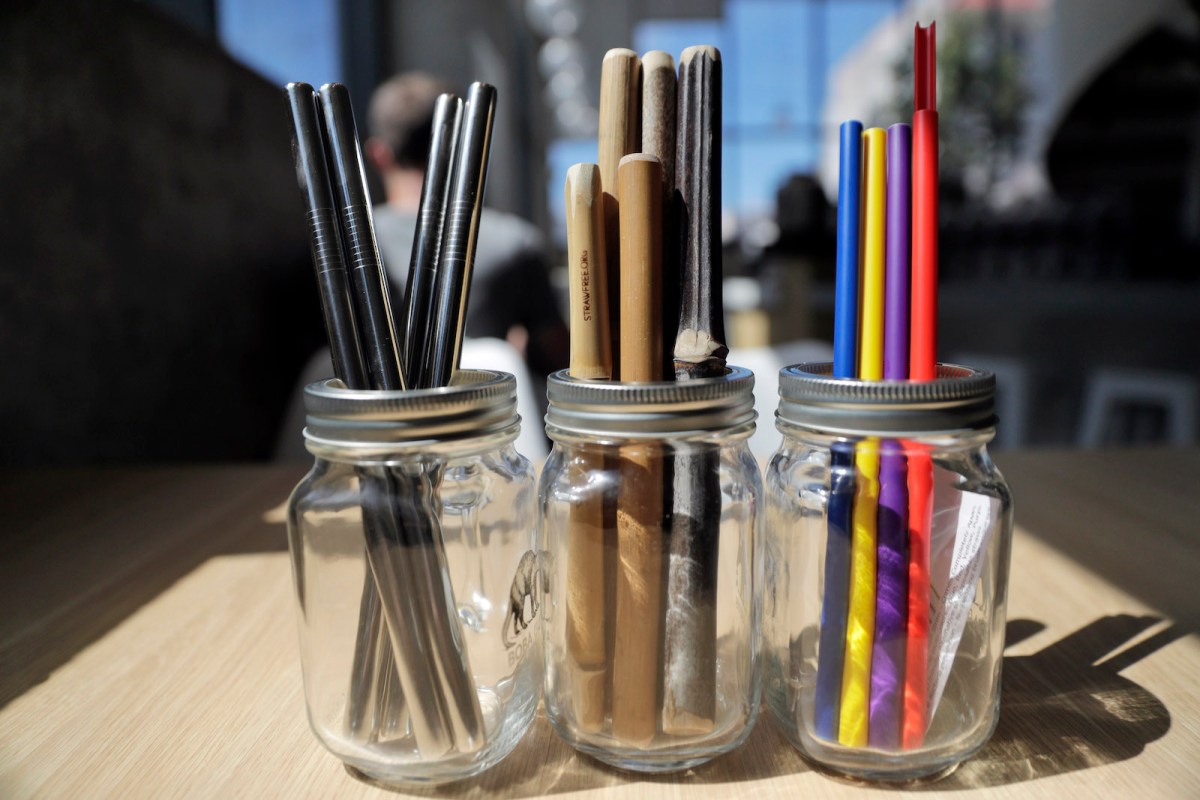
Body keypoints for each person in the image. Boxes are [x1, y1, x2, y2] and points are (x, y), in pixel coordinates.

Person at [364, 72, 567, 388]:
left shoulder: (348, 244)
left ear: (378, 154)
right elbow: (561, 358)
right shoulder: (516, 241)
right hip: (485, 413)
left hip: (374, 417)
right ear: (465, 145)